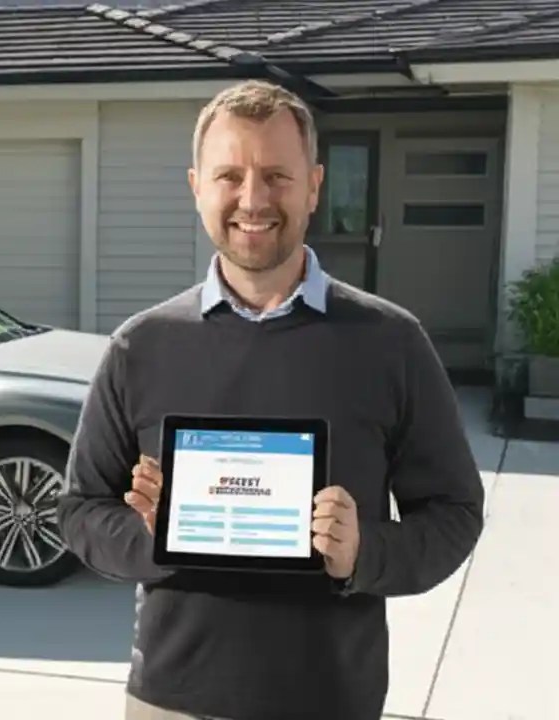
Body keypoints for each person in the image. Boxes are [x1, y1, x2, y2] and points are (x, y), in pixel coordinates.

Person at [56, 79, 485, 720]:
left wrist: (363, 550)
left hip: (330, 698)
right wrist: (154, 538)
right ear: (197, 186)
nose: (252, 199)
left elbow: (455, 513)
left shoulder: (389, 343)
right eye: (230, 175)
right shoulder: (140, 348)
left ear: (314, 185)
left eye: (276, 176)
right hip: (174, 700)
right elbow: (81, 509)